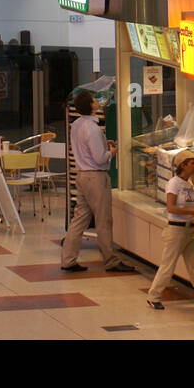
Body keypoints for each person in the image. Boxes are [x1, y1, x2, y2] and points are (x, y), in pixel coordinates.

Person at [60, 89, 132, 273]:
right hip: (96, 178)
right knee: (103, 220)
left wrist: (102, 144)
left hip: (82, 176)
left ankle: (68, 259)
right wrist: (112, 152)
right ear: (91, 105)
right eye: (95, 100)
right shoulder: (92, 128)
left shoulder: (76, 124)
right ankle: (110, 259)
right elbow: (100, 158)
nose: (97, 102)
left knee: (80, 219)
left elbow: (86, 148)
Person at [146, 149, 194, 309]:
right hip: (176, 231)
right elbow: (171, 208)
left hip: (190, 231)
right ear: (183, 165)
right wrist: (193, 213)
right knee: (168, 265)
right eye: (192, 162)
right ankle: (153, 296)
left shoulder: (190, 183)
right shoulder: (174, 183)